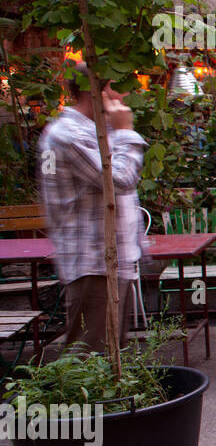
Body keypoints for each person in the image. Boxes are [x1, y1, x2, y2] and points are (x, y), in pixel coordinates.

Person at [38, 65, 146, 353]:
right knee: (90, 358)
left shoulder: (97, 131)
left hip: (111, 260)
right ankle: (78, 402)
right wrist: (126, 132)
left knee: (111, 357)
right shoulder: (69, 135)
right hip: (94, 262)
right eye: (118, 84)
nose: (127, 93)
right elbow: (120, 180)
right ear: (99, 91)